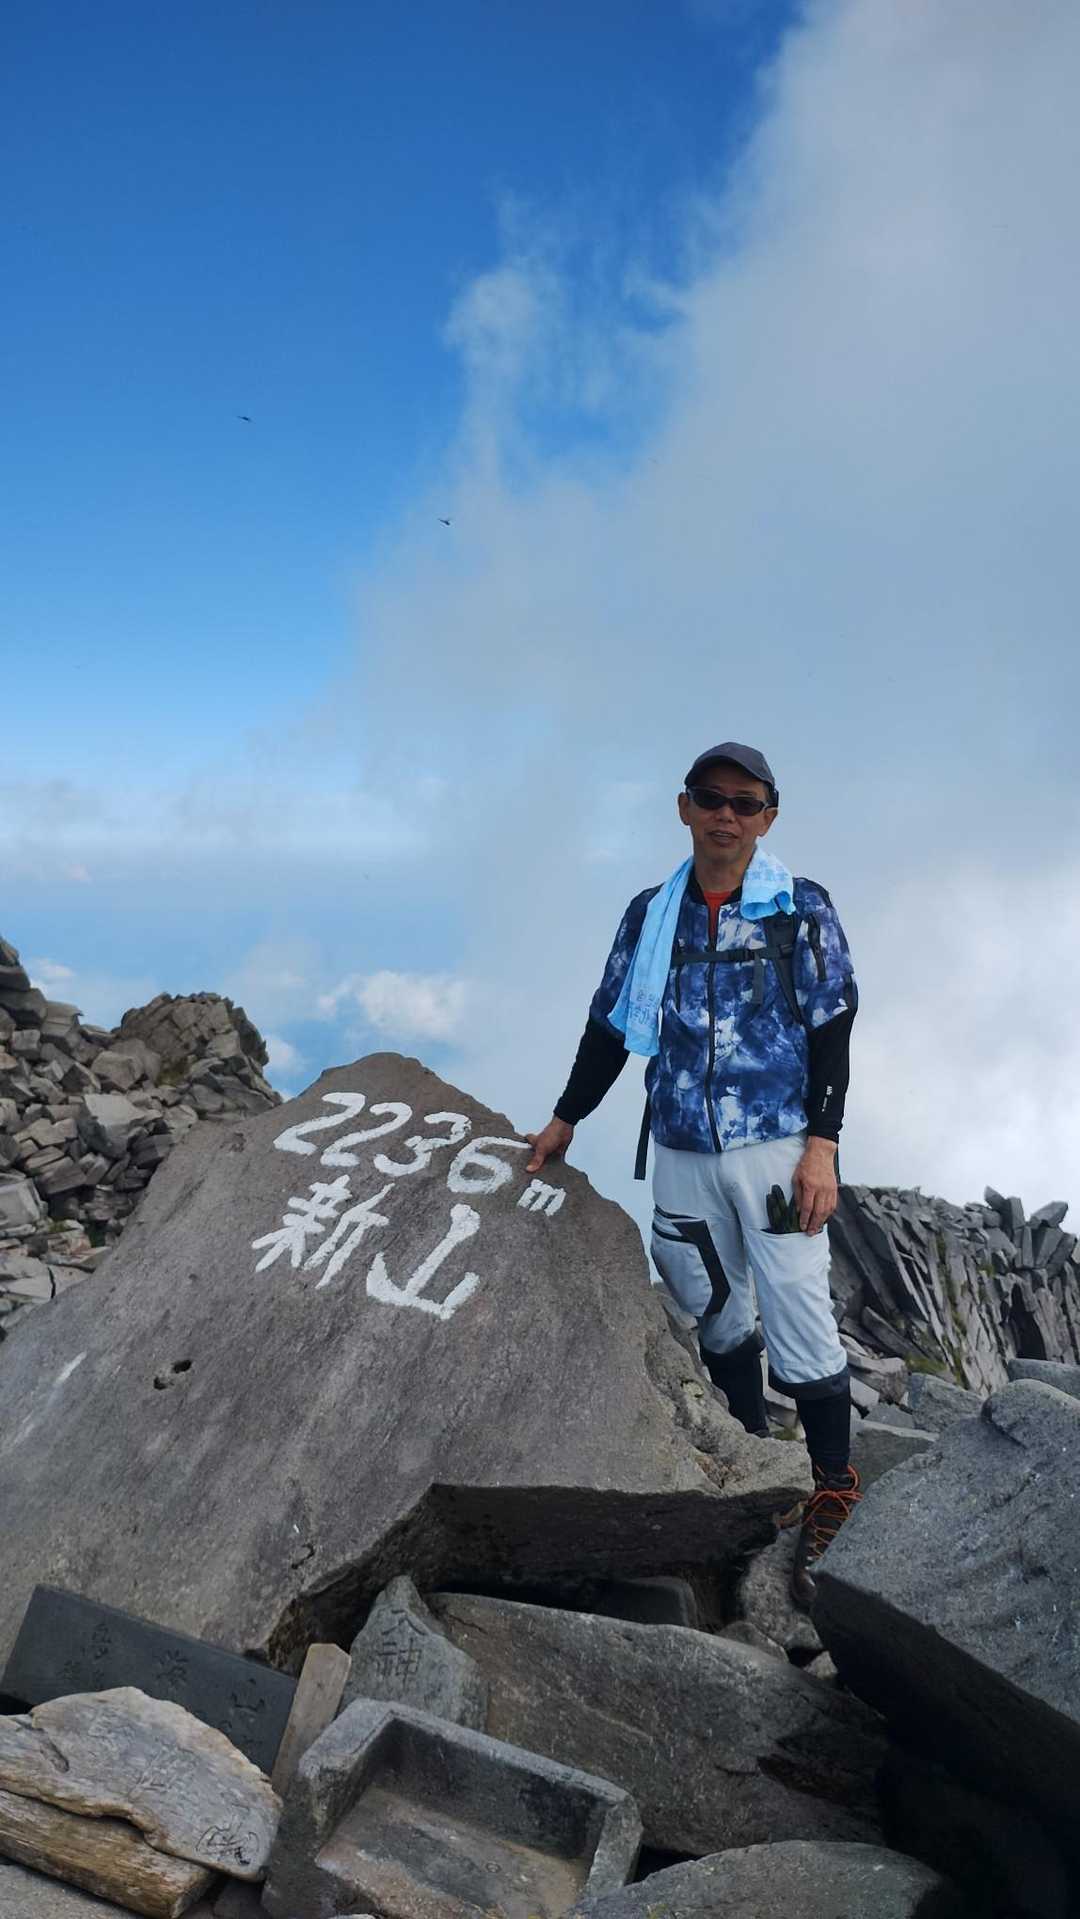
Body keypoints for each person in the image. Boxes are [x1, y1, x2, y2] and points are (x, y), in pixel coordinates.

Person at [526, 742, 860, 1608]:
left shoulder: (799, 909)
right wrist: (567, 1116)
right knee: (713, 1311)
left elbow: (834, 1027)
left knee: (798, 1307)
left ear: (768, 817)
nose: (726, 815)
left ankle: (834, 1485)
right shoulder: (650, 915)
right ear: (683, 808)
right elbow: (609, 1026)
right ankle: (753, 1469)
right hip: (678, 1144)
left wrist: (823, 1143)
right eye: (711, 798)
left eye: (744, 803)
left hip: (774, 1146)